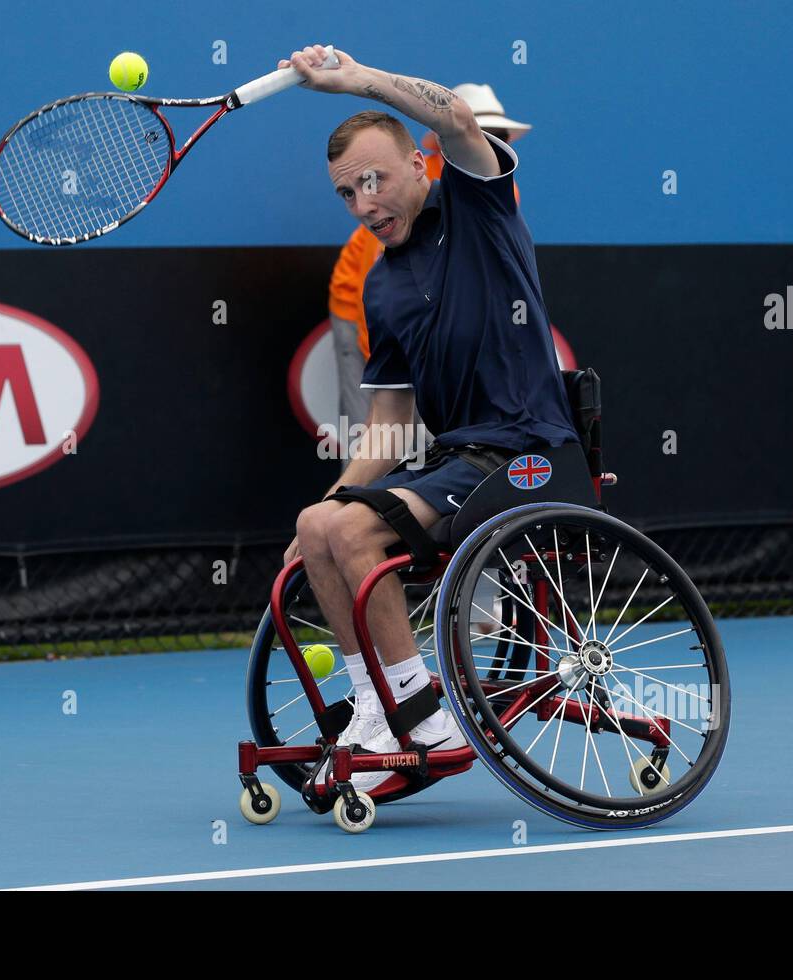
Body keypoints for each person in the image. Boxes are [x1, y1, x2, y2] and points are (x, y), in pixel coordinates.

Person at [280, 45, 579, 790]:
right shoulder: (381, 286)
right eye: (347, 195)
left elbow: (452, 115)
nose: (364, 204)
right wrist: (323, 506)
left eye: (375, 180)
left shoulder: (477, 209)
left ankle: (424, 718)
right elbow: (387, 420)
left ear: (422, 164)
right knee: (323, 526)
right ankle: (378, 711)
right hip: (458, 462)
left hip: (529, 452)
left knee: (351, 528)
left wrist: (353, 80)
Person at [326, 85, 530, 449]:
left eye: (497, 136)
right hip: (353, 302)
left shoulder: (498, 188)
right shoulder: (423, 182)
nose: (489, 142)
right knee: (368, 426)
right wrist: (390, 362)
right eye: (483, 133)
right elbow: (389, 288)